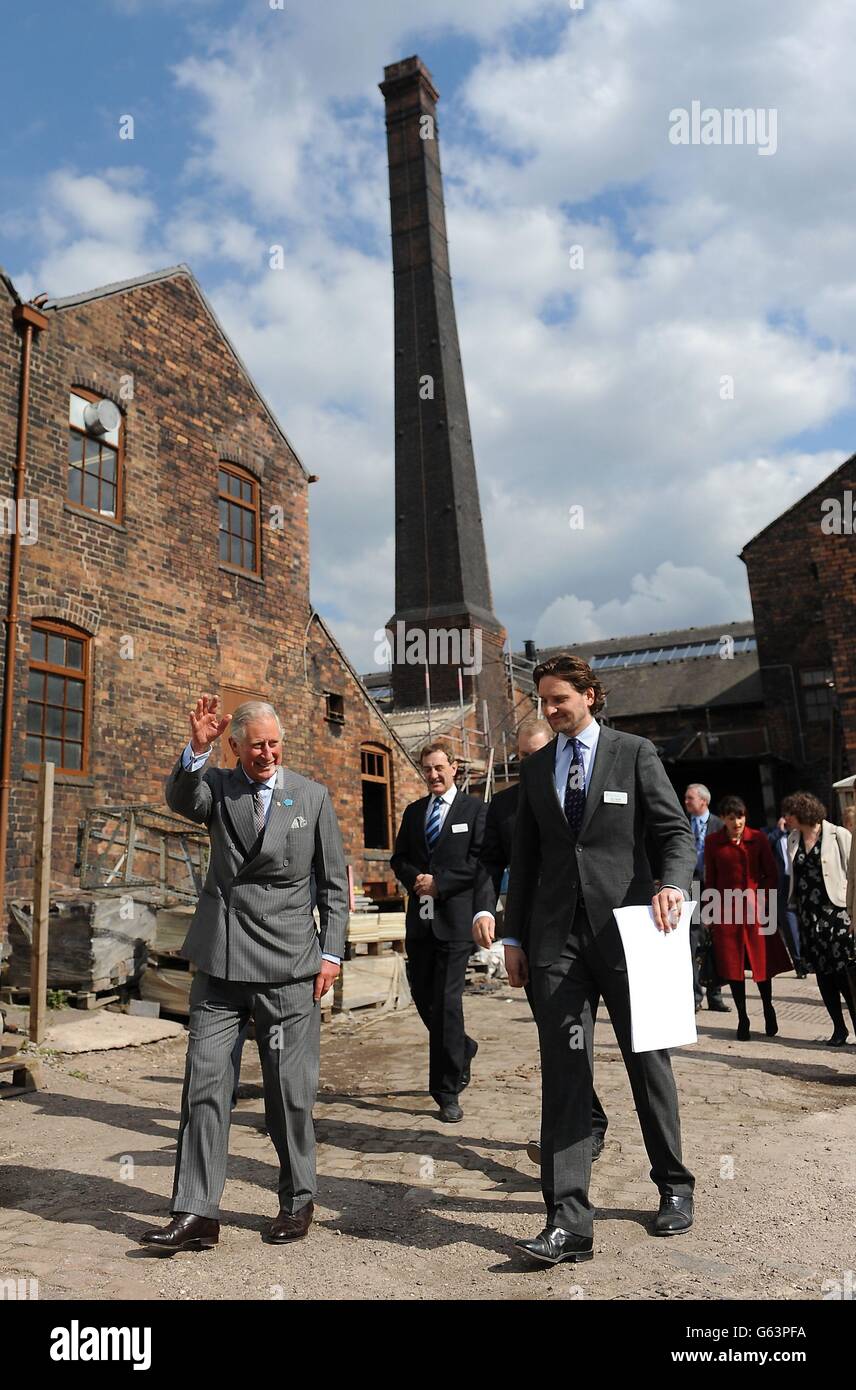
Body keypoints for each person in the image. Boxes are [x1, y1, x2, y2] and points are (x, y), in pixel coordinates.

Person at [503, 654, 696, 1266]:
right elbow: (525, 862)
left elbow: (673, 833)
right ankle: (568, 1221)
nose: (551, 710)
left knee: (647, 1061)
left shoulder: (633, 753)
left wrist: (672, 884)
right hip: (557, 940)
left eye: (560, 699)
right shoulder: (536, 770)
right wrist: (513, 939)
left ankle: (673, 1186)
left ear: (590, 695)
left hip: (631, 931)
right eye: (544, 701)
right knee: (564, 1072)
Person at [141, 696, 348, 1253]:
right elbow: (182, 797)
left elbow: (333, 886)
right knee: (205, 1084)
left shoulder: (310, 796)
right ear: (235, 746)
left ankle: (298, 1198)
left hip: (288, 966)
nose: (266, 753)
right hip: (223, 960)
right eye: (255, 744)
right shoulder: (218, 786)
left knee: (289, 1091)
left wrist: (331, 955)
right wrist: (196, 750)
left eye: (274, 743)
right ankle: (196, 1211)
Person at [472, 717, 609, 1167]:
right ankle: (584, 1125)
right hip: (535, 937)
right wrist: (485, 909)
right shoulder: (506, 804)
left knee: (580, 1035)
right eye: (523, 757)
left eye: (538, 753)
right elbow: (490, 861)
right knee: (557, 1035)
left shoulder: (582, 792)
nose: (531, 763)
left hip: (593, 932)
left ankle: (580, 1132)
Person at [391, 737, 487, 1123]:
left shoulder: (475, 811)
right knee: (424, 998)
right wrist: (417, 879)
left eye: (439, 767)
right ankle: (461, 1045)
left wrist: (441, 883)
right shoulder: (414, 813)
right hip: (421, 922)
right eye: (427, 768)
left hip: (454, 921)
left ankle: (446, 1091)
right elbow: (400, 859)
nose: (433, 774)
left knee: (447, 1003)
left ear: (454, 769)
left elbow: (480, 862)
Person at [703, 796, 791, 1040]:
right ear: (723, 819)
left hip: (757, 910)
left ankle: (768, 1008)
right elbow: (711, 878)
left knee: (761, 964)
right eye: (731, 818)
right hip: (726, 912)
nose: (737, 822)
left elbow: (771, 874)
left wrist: (762, 901)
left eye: (740, 817)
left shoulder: (758, 839)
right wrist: (709, 913)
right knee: (733, 966)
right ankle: (742, 1017)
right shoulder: (713, 842)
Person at [783, 792, 856, 1046]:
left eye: (789, 813)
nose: (786, 818)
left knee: (844, 973)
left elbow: (852, 871)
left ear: (801, 812)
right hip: (808, 917)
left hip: (836, 915)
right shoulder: (793, 838)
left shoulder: (837, 835)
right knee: (823, 975)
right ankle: (839, 1028)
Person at [683, 783, 730, 1013]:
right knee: (692, 940)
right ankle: (694, 996)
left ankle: (715, 993)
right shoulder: (682, 823)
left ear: (704, 801)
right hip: (691, 886)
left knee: (714, 940)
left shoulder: (719, 826)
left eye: (690, 798)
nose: (686, 802)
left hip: (714, 888)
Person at [765, 815, 806, 976]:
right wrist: (778, 830)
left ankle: (808, 959)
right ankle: (799, 964)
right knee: (789, 927)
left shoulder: (803, 834)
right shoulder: (773, 835)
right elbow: (765, 844)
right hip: (782, 887)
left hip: (800, 883)